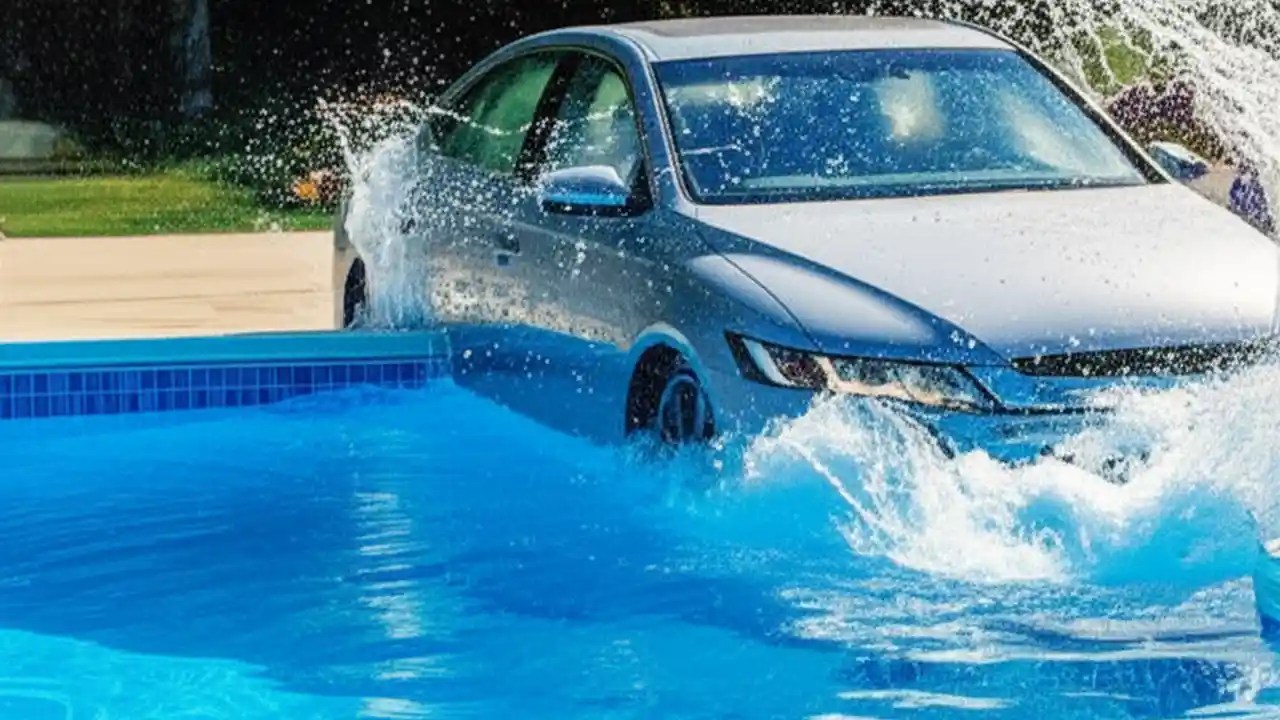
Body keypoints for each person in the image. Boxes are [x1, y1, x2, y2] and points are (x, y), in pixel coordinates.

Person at [1230, 162, 1276, 235]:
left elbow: (1259, 204)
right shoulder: (1242, 184)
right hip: (1247, 213)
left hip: (1251, 215)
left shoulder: (1256, 188)